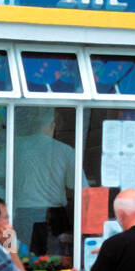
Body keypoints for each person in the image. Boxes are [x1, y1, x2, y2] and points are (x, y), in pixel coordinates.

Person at [11, 108, 80, 255]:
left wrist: (7, 194)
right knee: (52, 260)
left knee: (21, 257)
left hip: (24, 212)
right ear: (53, 126)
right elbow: (79, 187)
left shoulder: (17, 146)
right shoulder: (65, 151)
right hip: (53, 215)